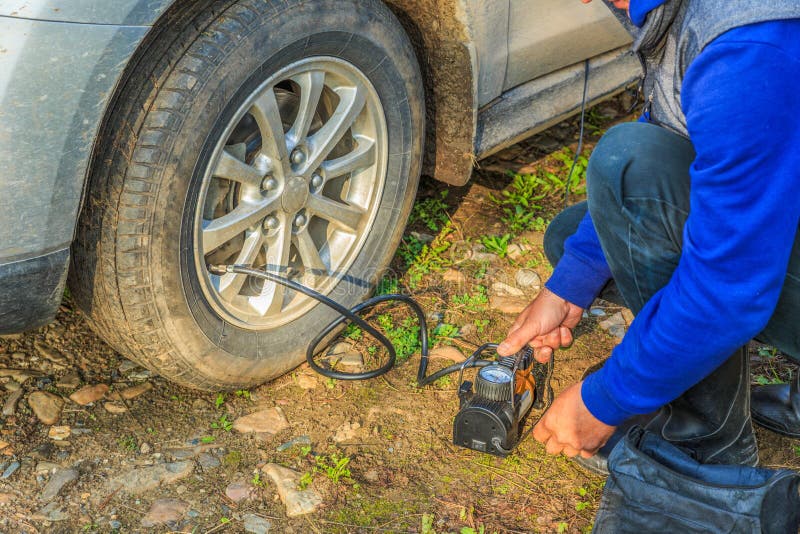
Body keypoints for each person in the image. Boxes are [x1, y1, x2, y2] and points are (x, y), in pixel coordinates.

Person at [496, 0, 800, 473]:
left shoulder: (747, 41)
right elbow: (675, 134)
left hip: (757, 248)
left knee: (630, 170)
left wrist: (606, 400)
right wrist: (568, 285)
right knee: (587, 227)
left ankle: (705, 448)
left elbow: (730, 286)